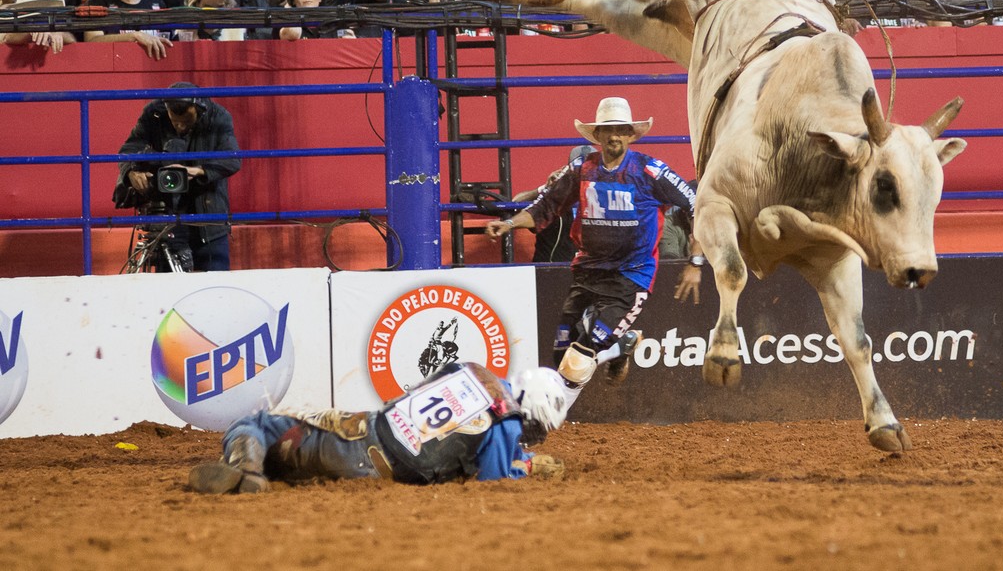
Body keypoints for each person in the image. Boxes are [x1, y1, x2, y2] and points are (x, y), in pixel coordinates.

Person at [484, 97, 702, 412]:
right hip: (587, 273)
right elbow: (546, 205)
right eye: (608, 129)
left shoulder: (649, 171)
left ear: (631, 134)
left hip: (630, 276)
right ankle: (619, 348)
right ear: (597, 135)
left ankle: (548, 420)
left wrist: (695, 261)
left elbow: (695, 203)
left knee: (579, 357)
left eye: (621, 129)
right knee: (562, 353)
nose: (615, 136)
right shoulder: (581, 169)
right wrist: (509, 224)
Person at [187, 363, 567, 494]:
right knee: (293, 461)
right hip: (380, 468)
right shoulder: (507, 423)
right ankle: (258, 471)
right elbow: (494, 476)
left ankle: (246, 466)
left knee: (261, 425)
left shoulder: (470, 370)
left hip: (363, 434)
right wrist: (524, 466)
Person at [114, 81, 241, 271]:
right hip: (166, 214)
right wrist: (132, 172)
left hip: (208, 217)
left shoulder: (218, 116)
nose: (181, 127)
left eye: (187, 122)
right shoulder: (154, 113)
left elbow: (232, 159)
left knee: (215, 283)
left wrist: (197, 171)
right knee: (169, 286)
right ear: (167, 110)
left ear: (200, 110)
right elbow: (128, 150)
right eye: (175, 122)